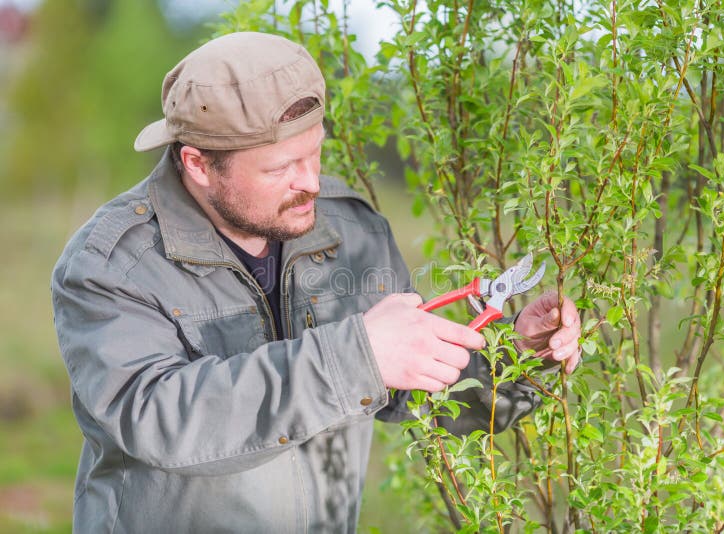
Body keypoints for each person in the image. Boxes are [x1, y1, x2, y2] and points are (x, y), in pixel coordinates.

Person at [51, 32, 582, 533]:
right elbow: (158, 420)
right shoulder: (111, 265)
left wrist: (517, 357)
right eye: (281, 167)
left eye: (315, 153)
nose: (310, 181)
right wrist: (355, 357)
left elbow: (410, 391)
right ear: (199, 164)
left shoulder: (351, 228)